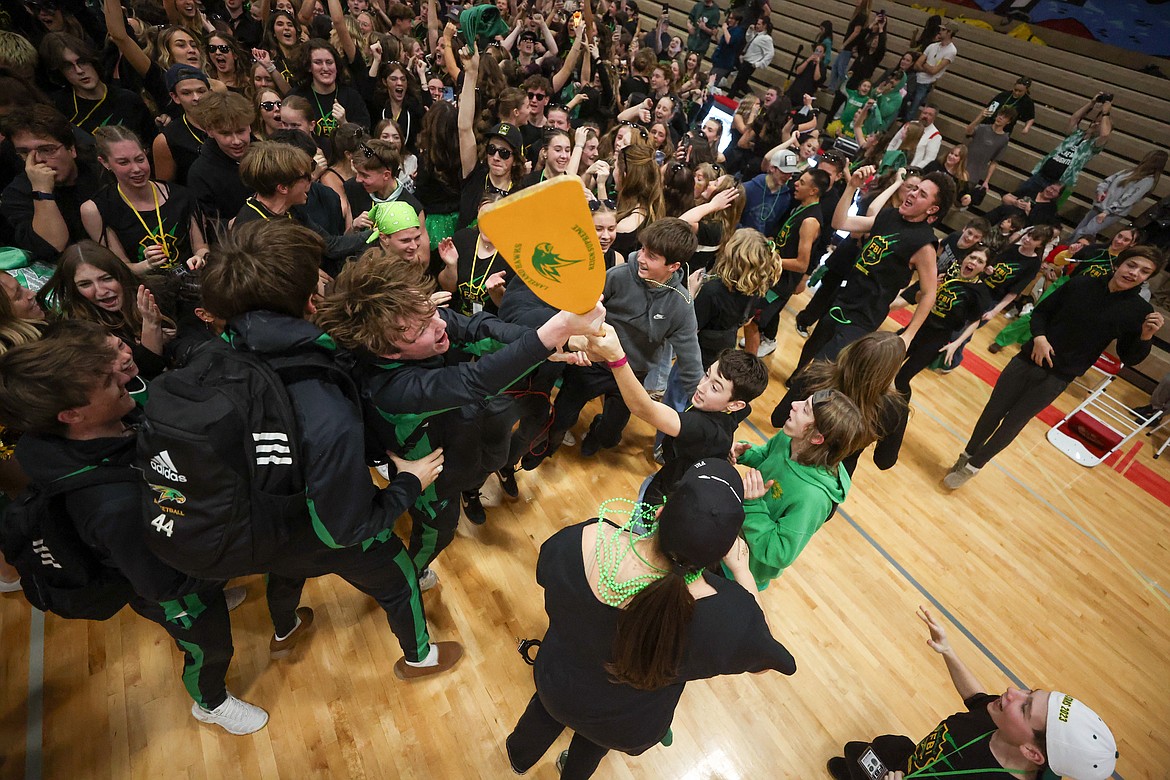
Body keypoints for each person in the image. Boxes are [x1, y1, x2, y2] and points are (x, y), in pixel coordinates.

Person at [190, 218, 463, 678]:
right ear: (311, 301)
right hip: (330, 529)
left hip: (268, 526)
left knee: (285, 574)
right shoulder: (323, 403)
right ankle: (420, 657)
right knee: (397, 582)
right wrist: (405, 485)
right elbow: (348, 526)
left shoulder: (212, 355)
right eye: (318, 272)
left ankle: (285, 628)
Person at [0, 321, 263, 735]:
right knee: (208, 645)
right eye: (106, 381)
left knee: (206, 606)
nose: (121, 376)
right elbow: (160, 583)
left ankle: (210, 597)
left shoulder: (84, 433)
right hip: (172, 587)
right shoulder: (111, 507)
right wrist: (217, 563)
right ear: (71, 415)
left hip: (172, 555)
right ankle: (210, 701)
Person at [313, 251, 603, 583]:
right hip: (430, 478)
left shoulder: (411, 321)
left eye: (431, 310)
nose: (440, 323)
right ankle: (413, 574)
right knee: (439, 531)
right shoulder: (391, 389)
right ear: (387, 351)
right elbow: (475, 381)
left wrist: (554, 343)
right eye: (423, 327)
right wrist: (553, 334)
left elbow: (479, 328)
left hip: (459, 435)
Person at [505, 459, 797, 779]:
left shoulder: (583, 542)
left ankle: (520, 756)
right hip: (624, 722)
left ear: (659, 511)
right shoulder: (729, 620)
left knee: (546, 711)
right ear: (723, 552)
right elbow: (773, 660)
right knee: (593, 744)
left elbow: (544, 573)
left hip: (558, 682)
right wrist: (742, 570)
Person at [945, 246, 1165, 488]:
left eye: (1144, 272)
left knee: (1013, 422)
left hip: (1058, 376)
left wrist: (1145, 336)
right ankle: (966, 456)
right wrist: (1039, 338)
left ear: (1148, 279)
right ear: (1118, 264)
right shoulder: (1081, 283)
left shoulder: (1139, 311)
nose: (1134, 273)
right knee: (992, 411)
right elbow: (1041, 313)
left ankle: (974, 467)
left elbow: (1130, 356)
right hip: (1026, 359)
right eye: (1131, 265)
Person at [827, 606, 1119, 780]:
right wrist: (948, 651)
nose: (1012, 693)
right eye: (1029, 693)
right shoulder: (1001, 719)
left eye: (1025, 708)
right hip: (912, 761)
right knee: (867, 750)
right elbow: (976, 699)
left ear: (1032, 752)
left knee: (856, 758)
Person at [528, 218, 702, 465]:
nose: (641, 258)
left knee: (610, 436)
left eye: (651, 256)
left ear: (673, 266)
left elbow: (691, 362)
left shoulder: (682, 306)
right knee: (561, 418)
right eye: (642, 249)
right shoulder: (618, 276)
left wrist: (707, 412)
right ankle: (547, 448)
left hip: (631, 374)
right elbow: (580, 311)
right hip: (593, 364)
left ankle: (597, 432)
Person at [587, 322, 767, 507]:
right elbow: (735, 419)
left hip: (667, 498)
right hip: (672, 474)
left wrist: (616, 357)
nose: (701, 387)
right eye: (707, 375)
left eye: (714, 387)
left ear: (735, 404)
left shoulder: (703, 427)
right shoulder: (735, 410)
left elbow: (643, 408)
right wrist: (725, 445)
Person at [795, 165, 953, 370]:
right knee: (811, 350)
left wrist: (908, 335)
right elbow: (840, 222)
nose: (912, 193)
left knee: (822, 369)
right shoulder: (890, 216)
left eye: (921, 194)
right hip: (843, 300)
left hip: (863, 318)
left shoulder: (924, 243)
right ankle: (794, 383)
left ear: (932, 210)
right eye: (914, 189)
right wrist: (851, 187)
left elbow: (929, 293)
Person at [733, 389, 871, 589]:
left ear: (816, 437)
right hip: (730, 535)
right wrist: (745, 453)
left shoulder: (812, 497)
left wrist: (753, 506)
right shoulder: (791, 438)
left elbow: (780, 551)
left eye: (805, 409)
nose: (794, 404)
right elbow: (768, 456)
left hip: (744, 569)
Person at [81, 125, 208, 275]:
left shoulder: (181, 195)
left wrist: (199, 258)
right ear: (105, 163)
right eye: (124, 162)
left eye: (140, 159)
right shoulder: (96, 209)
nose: (136, 169)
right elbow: (119, 268)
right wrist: (147, 265)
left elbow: (202, 248)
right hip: (144, 289)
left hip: (191, 282)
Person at [1, 104, 103, 264]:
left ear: (72, 149)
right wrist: (42, 190)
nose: (37, 160)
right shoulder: (16, 194)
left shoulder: (101, 172)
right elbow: (53, 246)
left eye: (47, 150)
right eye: (25, 153)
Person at [753, 167, 830, 358]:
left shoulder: (810, 221)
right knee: (763, 314)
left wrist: (771, 259)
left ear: (813, 191)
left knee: (755, 318)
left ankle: (751, 358)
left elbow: (802, 264)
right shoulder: (801, 207)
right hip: (776, 274)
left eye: (802, 182)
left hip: (782, 281)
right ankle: (767, 340)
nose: (795, 183)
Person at [1013, 93, 1113, 200]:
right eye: (1096, 121)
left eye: (1100, 123)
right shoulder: (1076, 134)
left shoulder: (1094, 146)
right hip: (1041, 175)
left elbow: (1105, 134)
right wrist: (1091, 103)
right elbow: (1074, 118)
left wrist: (1105, 113)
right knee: (1017, 198)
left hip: (1057, 185)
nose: (1096, 124)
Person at [187, 91, 256, 228]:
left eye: (240, 131)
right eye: (226, 133)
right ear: (209, 131)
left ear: (249, 126)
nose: (236, 141)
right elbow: (206, 226)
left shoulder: (265, 153)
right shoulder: (200, 173)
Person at [1070, 150, 1166, 242]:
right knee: (1078, 231)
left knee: (1084, 233)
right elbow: (1109, 180)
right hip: (1100, 205)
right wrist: (1101, 191)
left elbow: (1128, 199)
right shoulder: (1129, 171)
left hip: (1111, 213)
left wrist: (1107, 212)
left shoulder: (1148, 181)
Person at [152, 65, 213, 186]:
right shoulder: (166, 140)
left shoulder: (230, 122)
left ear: (210, 92)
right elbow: (166, 189)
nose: (196, 98)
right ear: (175, 97)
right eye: (186, 93)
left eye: (201, 91)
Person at [904, 22, 956, 120]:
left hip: (927, 83)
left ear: (949, 32)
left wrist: (924, 64)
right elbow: (916, 65)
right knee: (903, 102)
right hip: (916, 78)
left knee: (913, 108)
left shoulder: (952, 51)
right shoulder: (933, 46)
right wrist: (927, 67)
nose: (940, 31)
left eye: (943, 30)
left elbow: (934, 70)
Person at [965, 105, 1014, 206]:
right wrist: (980, 117)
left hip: (974, 175)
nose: (1000, 117)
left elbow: (994, 162)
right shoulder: (982, 127)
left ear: (1008, 121)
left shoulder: (1004, 139)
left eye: (1004, 117)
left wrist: (986, 181)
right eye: (1000, 114)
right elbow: (968, 131)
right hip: (961, 166)